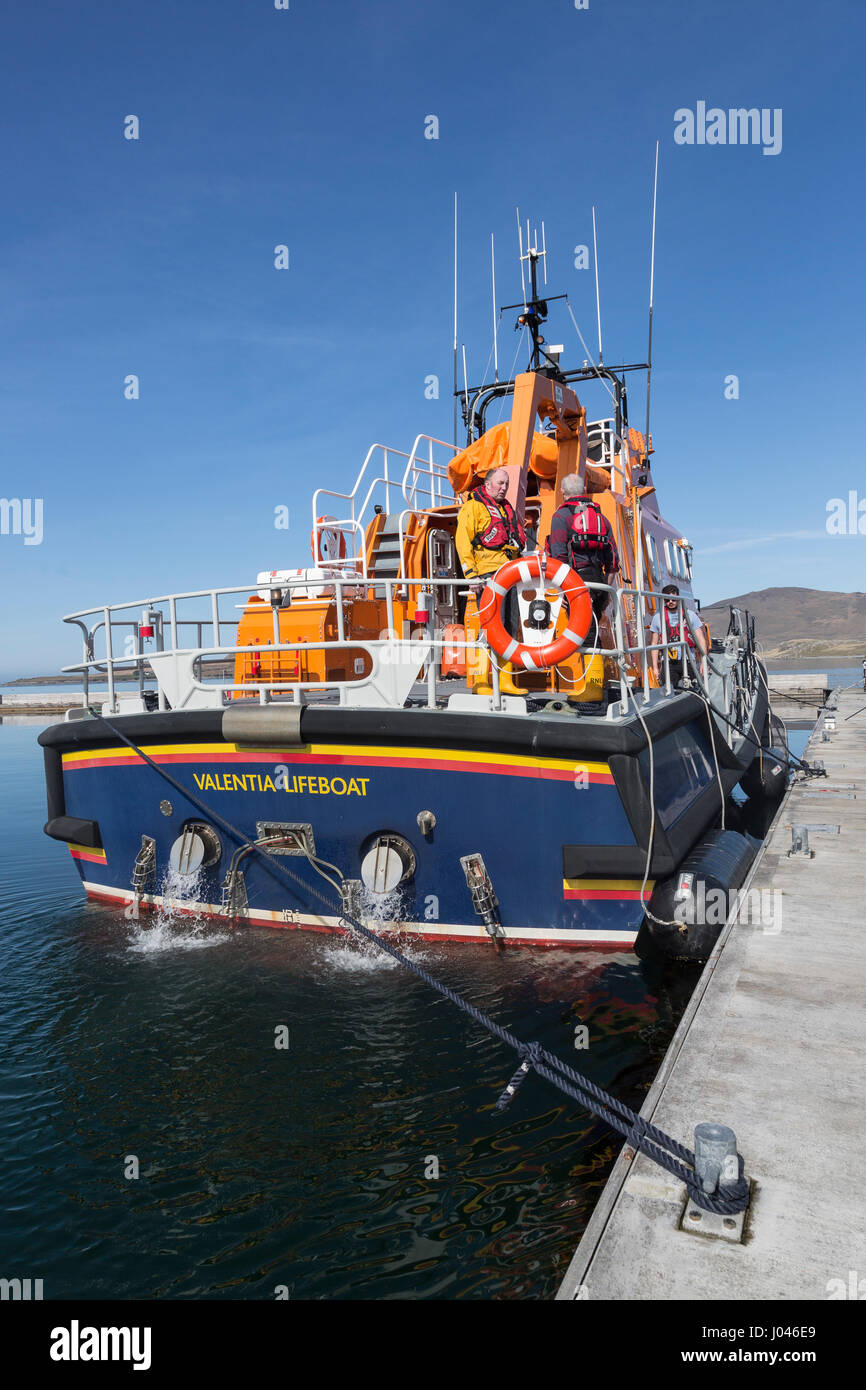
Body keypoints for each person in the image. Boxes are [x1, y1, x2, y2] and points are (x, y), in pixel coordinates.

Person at [547, 473, 619, 620]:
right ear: (584, 489)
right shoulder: (602, 519)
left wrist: (562, 590)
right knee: (594, 623)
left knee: (580, 626)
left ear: (562, 491)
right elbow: (613, 561)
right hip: (599, 582)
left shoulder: (560, 516)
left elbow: (559, 557)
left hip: (574, 582)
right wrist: (605, 590)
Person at [649, 583, 708, 688]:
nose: (670, 602)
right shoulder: (657, 617)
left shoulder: (690, 615)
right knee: (669, 690)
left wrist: (704, 662)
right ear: (664, 600)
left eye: (673, 599)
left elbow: (701, 640)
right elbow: (654, 644)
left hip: (688, 660)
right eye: (667, 599)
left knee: (692, 689)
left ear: (678, 598)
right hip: (668, 662)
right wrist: (655, 667)